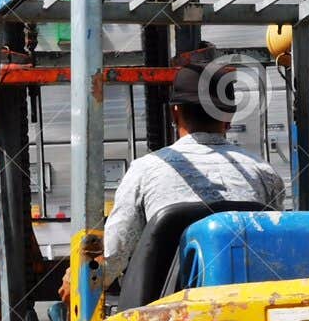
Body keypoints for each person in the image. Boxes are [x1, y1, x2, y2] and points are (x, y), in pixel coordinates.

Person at [101, 47, 284, 285]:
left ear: (174, 113)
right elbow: (276, 243)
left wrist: (83, 280)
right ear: (228, 118)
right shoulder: (264, 173)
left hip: (168, 312)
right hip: (247, 305)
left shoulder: (145, 170)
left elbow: (114, 255)